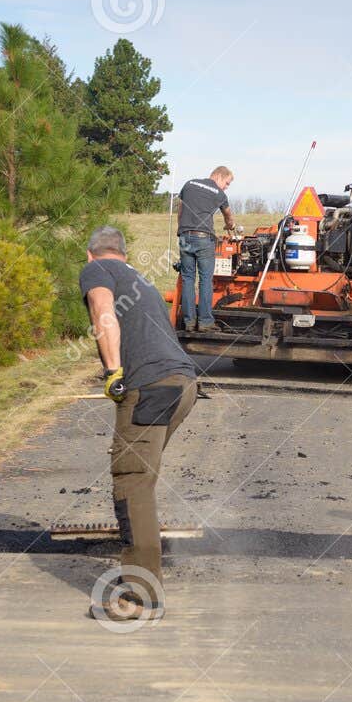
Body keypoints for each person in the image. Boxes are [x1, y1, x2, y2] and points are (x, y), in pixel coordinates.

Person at [79, 225, 199, 623]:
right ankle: (140, 567)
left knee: (132, 482)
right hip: (183, 383)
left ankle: (143, 596)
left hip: (149, 386)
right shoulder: (140, 279)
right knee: (138, 479)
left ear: (91, 253)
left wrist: (113, 371)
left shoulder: (98, 271)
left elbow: (102, 311)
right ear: (124, 253)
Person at [174, 166, 237, 331]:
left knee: (188, 278)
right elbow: (228, 216)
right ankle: (205, 322)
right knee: (205, 281)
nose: (226, 187)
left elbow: (180, 210)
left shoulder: (189, 184)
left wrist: (181, 230)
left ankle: (188, 322)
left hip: (185, 236)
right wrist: (230, 225)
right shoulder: (219, 193)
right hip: (204, 239)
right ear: (219, 176)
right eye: (227, 183)